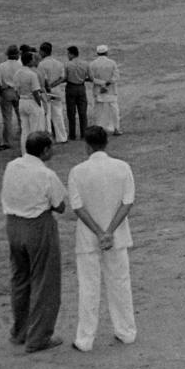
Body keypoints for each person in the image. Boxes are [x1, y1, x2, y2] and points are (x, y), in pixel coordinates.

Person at [68, 125, 137, 352]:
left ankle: (85, 339)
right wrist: (109, 231)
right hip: (116, 236)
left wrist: (99, 233)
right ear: (106, 143)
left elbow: (78, 207)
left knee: (88, 287)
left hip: (89, 238)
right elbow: (127, 203)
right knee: (120, 283)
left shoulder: (77, 172)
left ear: (87, 146)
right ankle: (126, 331)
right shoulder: (122, 167)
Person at [1, 131, 67, 353]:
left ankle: (20, 331)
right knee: (45, 281)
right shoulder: (46, 174)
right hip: (37, 226)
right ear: (45, 150)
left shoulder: (12, 166)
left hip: (13, 224)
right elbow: (60, 205)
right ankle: (38, 337)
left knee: (20, 278)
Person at [14, 49, 45, 155]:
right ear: (30, 61)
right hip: (31, 101)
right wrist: (39, 104)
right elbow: (36, 91)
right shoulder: (32, 74)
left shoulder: (17, 73)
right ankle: (34, 152)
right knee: (35, 129)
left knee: (25, 130)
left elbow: (16, 90)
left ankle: (24, 152)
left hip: (22, 101)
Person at [37, 43, 67, 144]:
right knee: (58, 114)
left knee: (47, 115)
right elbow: (62, 78)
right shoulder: (59, 63)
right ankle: (62, 137)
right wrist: (53, 85)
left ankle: (48, 138)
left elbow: (43, 79)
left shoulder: (41, 64)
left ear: (43, 51)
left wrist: (48, 86)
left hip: (46, 92)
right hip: (57, 90)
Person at [0, 44, 23, 150]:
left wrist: (1, 92)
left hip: (6, 91)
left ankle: (7, 141)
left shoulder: (1, 66)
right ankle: (23, 136)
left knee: (7, 118)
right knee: (21, 116)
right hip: (18, 91)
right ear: (17, 54)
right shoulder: (20, 65)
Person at [89, 45, 121, 135]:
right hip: (111, 90)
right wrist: (106, 84)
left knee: (98, 111)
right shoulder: (112, 63)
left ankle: (99, 129)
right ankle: (116, 128)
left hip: (98, 90)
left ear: (97, 53)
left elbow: (92, 78)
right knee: (114, 110)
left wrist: (101, 84)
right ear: (106, 52)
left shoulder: (93, 64)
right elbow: (116, 77)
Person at [64, 46, 90, 140]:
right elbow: (90, 77)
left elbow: (65, 78)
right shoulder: (85, 64)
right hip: (81, 87)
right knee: (83, 112)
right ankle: (84, 133)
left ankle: (72, 134)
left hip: (71, 88)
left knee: (71, 113)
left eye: (68, 54)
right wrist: (82, 79)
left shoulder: (68, 64)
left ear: (71, 54)